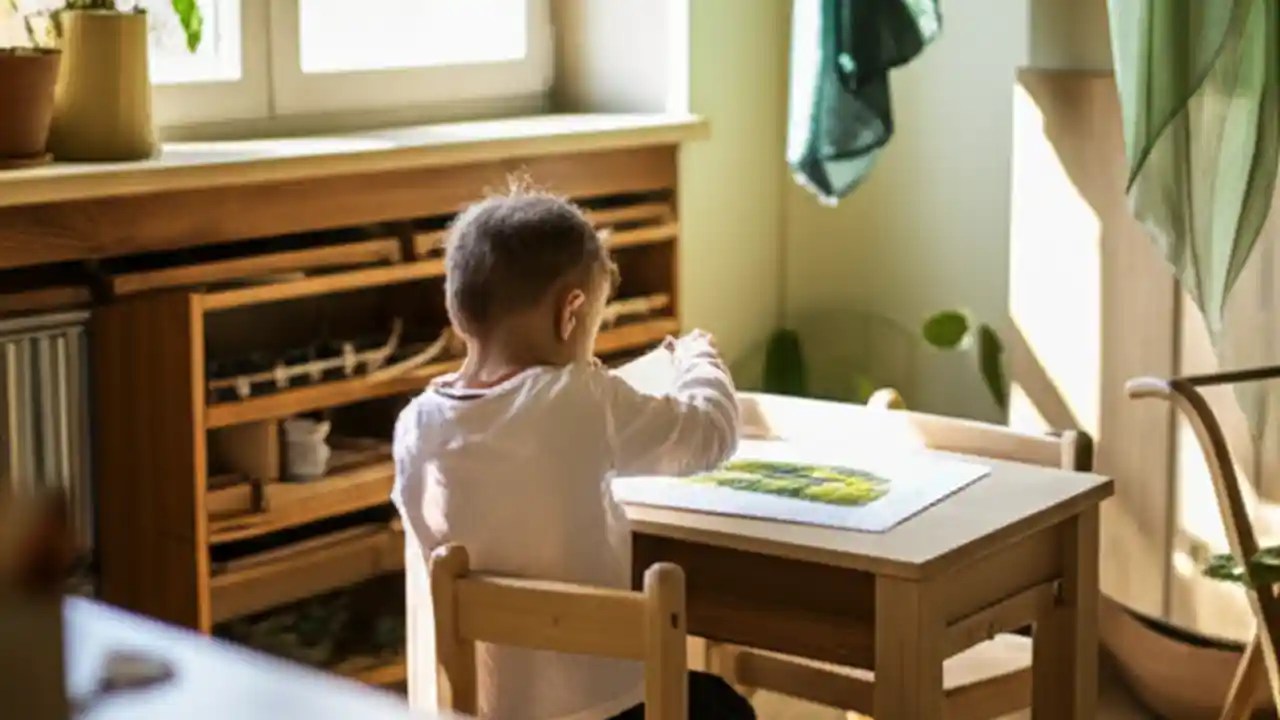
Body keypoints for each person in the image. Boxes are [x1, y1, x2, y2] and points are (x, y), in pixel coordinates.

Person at [392, 187, 752, 720]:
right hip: (608, 712)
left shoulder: (416, 426)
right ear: (571, 311)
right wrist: (700, 360)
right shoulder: (578, 397)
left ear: (458, 306)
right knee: (723, 707)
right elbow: (709, 433)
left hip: (491, 712)